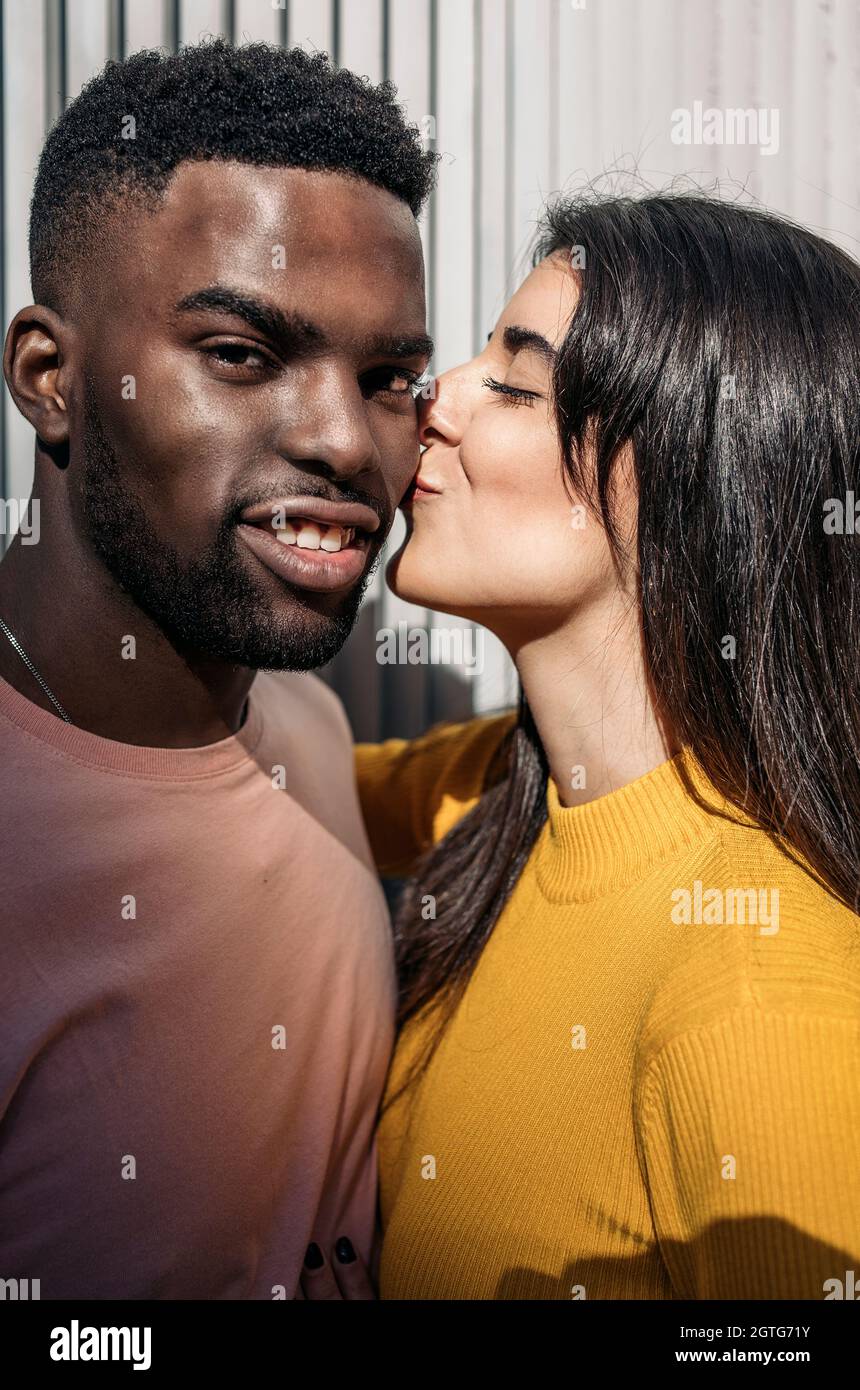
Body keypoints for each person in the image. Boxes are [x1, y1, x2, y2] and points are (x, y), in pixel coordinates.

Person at [348, 192, 860, 1300]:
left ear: (688, 472)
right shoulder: (493, 788)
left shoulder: (760, 992)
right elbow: (239, 785)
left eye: (517, 380)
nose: (434, 400)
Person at [0, 38, 436, 1298]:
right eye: (242, 355)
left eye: (389, 377)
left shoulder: (298, 709)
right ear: (51, 376)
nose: (345, 440)